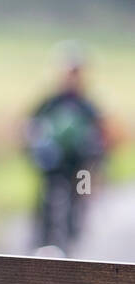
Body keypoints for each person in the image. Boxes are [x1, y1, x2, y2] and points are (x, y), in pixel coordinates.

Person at [24, 43, 111, 253]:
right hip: (53, 161)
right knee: (45, 197)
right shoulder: (51, 101)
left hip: (79, 161)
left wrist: (97, 159)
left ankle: (71, 237)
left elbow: (102, 132)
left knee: (78, 195)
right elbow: (31, 125)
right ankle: (42, 238)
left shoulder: (87, 104)